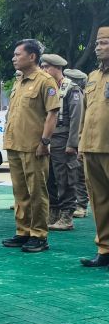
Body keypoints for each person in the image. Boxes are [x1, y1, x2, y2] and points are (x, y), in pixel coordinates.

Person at [1, 39, 60, 253]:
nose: (14, 58)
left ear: (32, 56)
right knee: (20, 192)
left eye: (18, 54)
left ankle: (39, 235)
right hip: (15, 144)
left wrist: (45, 141)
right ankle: (23, 231)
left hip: (34, 146)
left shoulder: (45, 81)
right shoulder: (18, 81)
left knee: (37, 192)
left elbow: (52, 113)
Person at [79, 26, 109, 268]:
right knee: (98, 201)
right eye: (98, 43)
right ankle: (104, 248)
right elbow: (86, 113)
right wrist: (81, 143)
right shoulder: (92, 77)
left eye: (104, 43)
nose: (98, 47)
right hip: (92, 147)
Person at [42, 54, 82, 231]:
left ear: (57, 68)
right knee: (49, 177)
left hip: (64, 138)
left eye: (47, 67)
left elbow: (76, 118)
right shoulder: (48, 88)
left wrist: (72, 143)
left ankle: (67, 215)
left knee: (66, 178)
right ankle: (54, 211)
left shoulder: (71, 89)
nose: (44, 71)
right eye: (42, 67)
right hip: (49, 139)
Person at [63, 68, 90, 218]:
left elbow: (78, 120)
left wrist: (74, 142)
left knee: (78, 174)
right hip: (75, 139)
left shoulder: (77, 93)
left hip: (81, 140)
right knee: (73, 174)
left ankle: (81, 205)